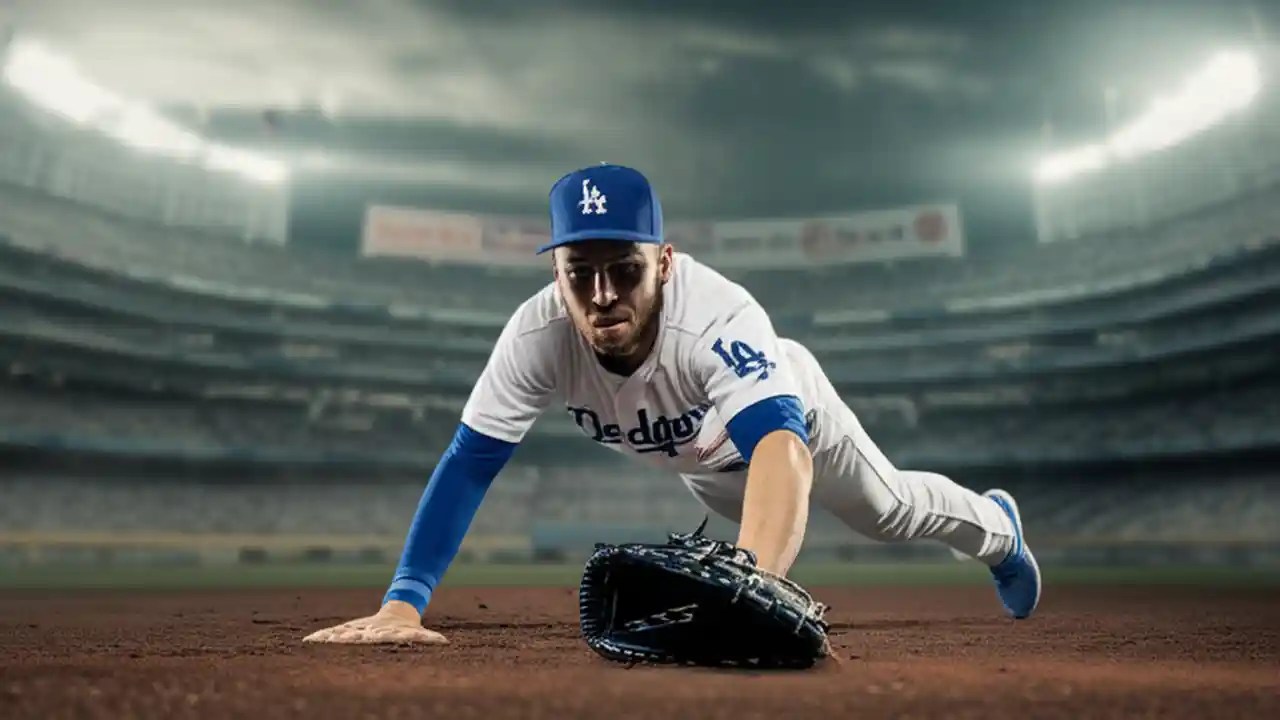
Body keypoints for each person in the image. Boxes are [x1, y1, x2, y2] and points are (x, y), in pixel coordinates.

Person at [303, 164, 1041, 646]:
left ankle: (999, 533)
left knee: (885, 513)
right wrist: (403, 602)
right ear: (556, 270)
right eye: (577, 272)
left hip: (789, 426)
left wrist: (753, 583)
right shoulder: (537, 336)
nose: (601, 295)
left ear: (664, 260)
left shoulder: (716, 315)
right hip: (703, 465)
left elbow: (781, 449)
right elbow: (470, 463)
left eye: (623, 270)